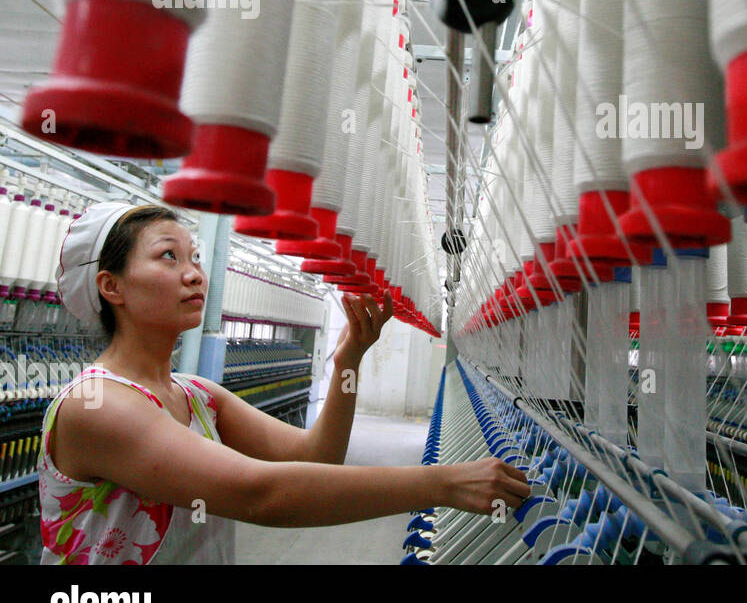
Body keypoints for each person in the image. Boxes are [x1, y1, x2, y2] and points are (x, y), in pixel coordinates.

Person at [39, 202, 529, 564]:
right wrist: (442, 484)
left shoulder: (197, 396)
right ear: (112, 286)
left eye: (194, 256)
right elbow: (262, 494)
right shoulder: (96, 405)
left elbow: (317, 459)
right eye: (169, 257)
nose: (194, 274)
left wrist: (348, 362)